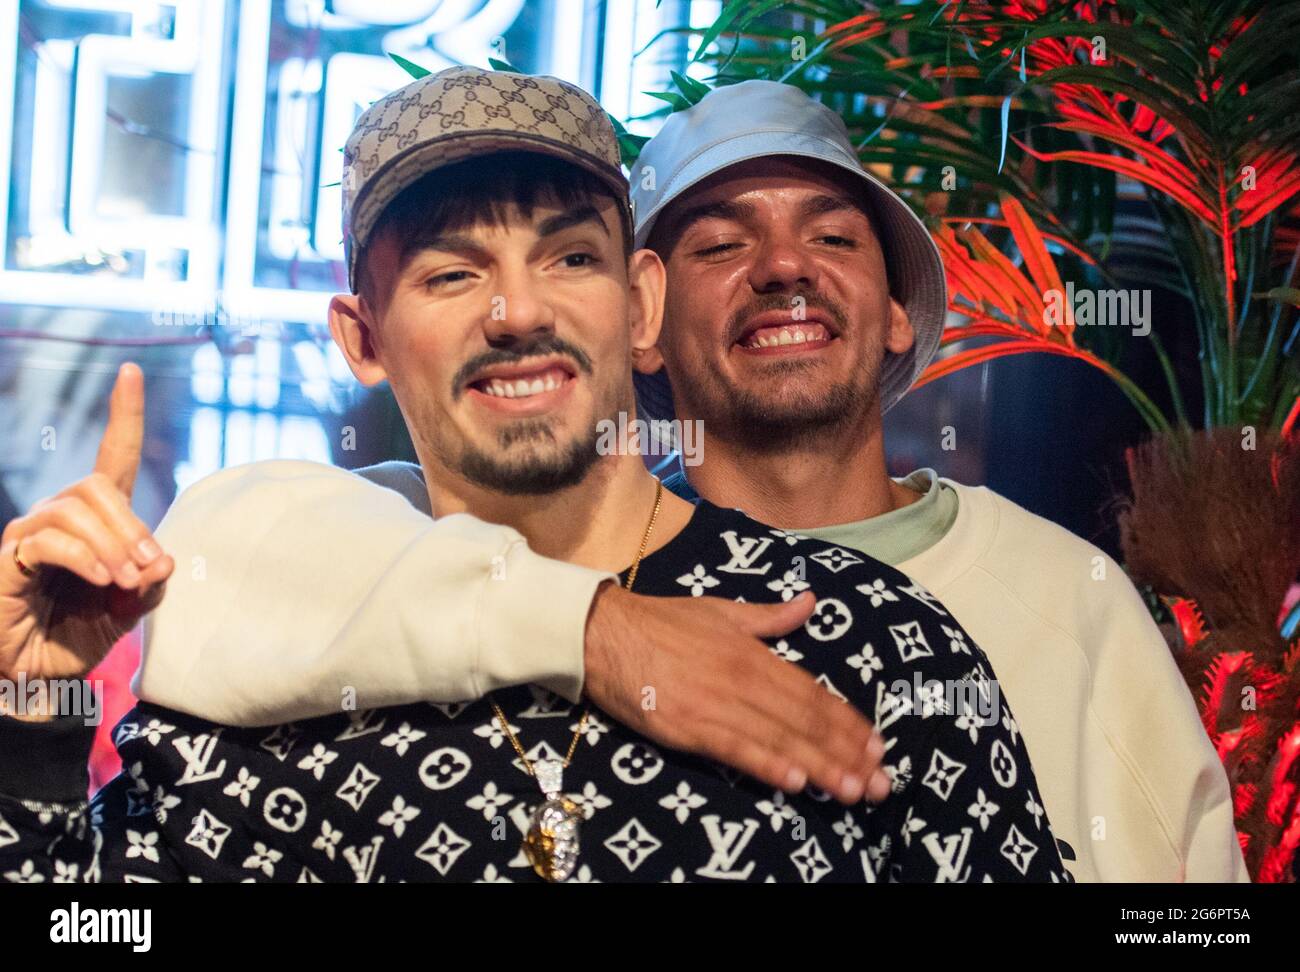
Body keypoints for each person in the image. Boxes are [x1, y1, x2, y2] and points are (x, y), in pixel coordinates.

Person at [104, 78, 1243, 882]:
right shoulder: (313, 616)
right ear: (362, 339)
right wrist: (25, 731)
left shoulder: (899, 643)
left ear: (630, 303)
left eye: (569, 257)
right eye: (451, 272)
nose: (514, 312)